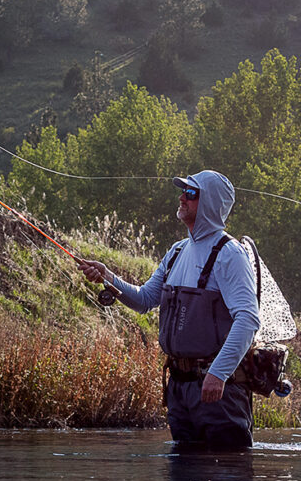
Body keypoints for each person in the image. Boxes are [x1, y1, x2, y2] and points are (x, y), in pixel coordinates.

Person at [76, 170, 260, 450]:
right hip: (179, 389)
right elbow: (145, 299)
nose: (181, 198)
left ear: (209, 202)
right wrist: (107, 277)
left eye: (190, 193)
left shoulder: (230, 255)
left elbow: (247, 319)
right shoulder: (176, 251)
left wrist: (219, 374)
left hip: (218, 391)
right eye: (183, 192)